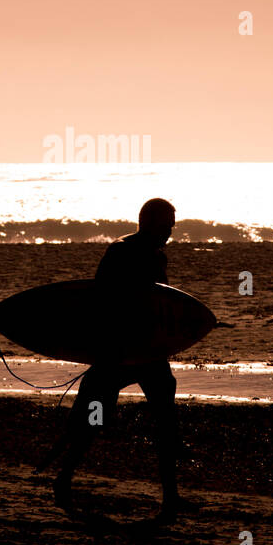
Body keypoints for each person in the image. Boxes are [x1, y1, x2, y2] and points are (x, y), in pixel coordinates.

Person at [47, 197, 194, 523]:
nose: (170, 231)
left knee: (165, 421)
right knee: (94, 415)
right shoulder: (121, 251)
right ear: (149, 222)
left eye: (172, 225)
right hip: (119, 351)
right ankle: (63, 477)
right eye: (167, 224)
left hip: (150, 352)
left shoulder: (158, 256)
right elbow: (100, 302)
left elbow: (161, 306)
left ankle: (171, 498)